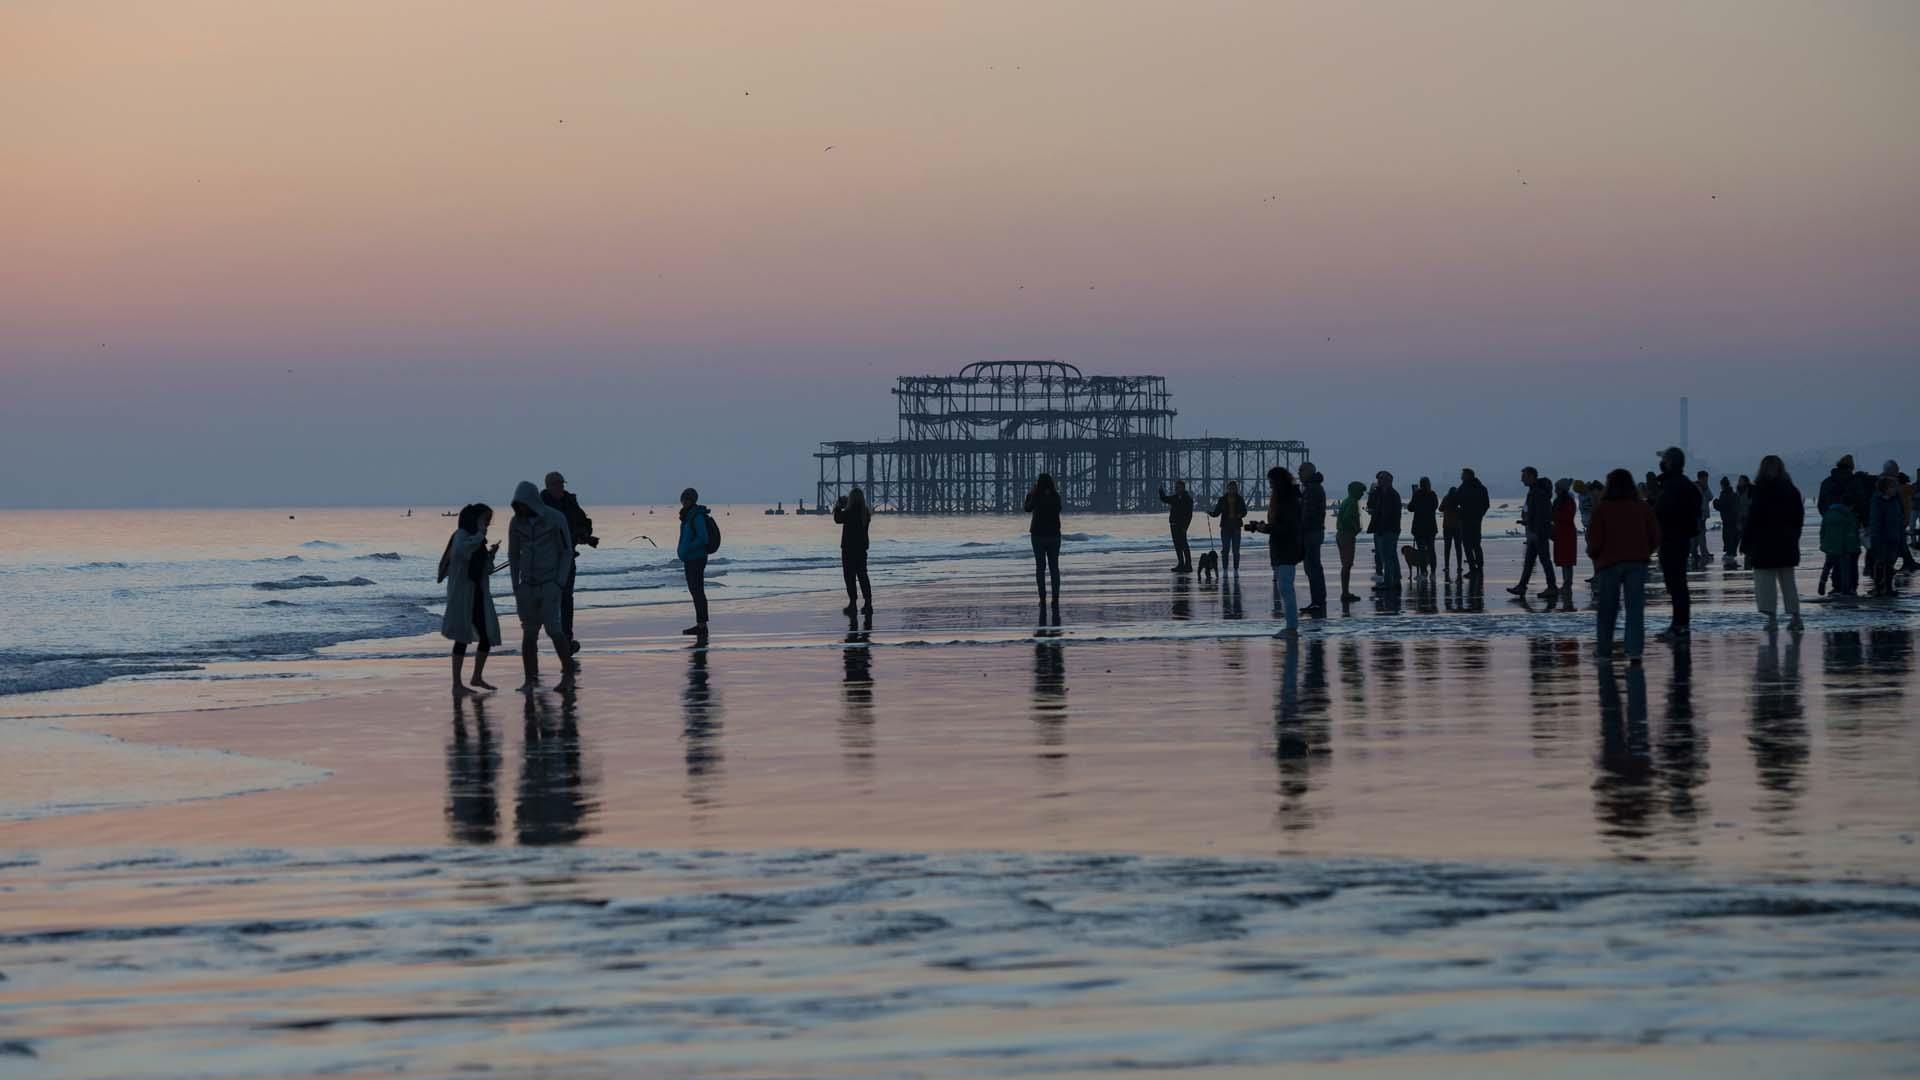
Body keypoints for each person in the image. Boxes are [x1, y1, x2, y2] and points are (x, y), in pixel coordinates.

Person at [1587, 469, 1659, 663]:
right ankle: (1634, 650)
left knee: (1607, 610)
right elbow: (1654, 536)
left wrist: (1595, 556)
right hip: (1637, 562)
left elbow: (1594, 540)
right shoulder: (1642, 507)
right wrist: (1644, 553)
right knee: (1634, 609)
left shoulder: (1602, 509)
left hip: (1609, 563)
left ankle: (1604, 651)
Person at [508, 480, 576, 689]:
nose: (521, 509)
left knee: (554, 629)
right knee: (529, 633)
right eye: (517, 505)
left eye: (523, 504)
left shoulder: (555, 518)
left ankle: (568, 675)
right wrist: (515, 584)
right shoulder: (516, 522)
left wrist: (559, 582)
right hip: (526, 585)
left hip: (549, 583)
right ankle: (530, 679)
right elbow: (513, 554)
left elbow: (567, 551)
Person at [440, 503, 502, 695]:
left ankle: (477, 676)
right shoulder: (462, 535)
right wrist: (480, 534)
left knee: (486, 636)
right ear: (475, 519)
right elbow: (461, 552)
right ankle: (456, 684)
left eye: (489, 520)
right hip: (462, 594)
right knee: (461, 637)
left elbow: (486, 569)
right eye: (485, 519)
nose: (488, 523)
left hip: (478, 594)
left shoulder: (477, 539)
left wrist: (491, 556)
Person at [1741, 455, 1804, 632]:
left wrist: (1745, 542)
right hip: (1786, 543)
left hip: (1764, 544)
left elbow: (1753, 519)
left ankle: (1772, 619)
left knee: (1765, 583)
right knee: (1788, 582)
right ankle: (1795, 617)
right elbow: (1798, 517)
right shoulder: (1791, 490)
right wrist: (1794, 536)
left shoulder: (1760, 490)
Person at [541, 471, 598, 655]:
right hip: (548, 560)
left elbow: (584, 521)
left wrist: (584, 534)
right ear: (549, 486)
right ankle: (555, 637)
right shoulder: (540, 505)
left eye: (562, 484)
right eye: (557, 484)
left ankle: (566, 638)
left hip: (567, 557)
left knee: (566, 599)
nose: (561, 487)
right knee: (551, 600)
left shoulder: (570, 501)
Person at [1246, 466, 1303, 635]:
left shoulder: (1288, 500)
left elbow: (1287, 527)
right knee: (1285, 587)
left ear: (1279, 482)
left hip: (1287, 547)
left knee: (1285, 588)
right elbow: (1282, 524)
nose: (1270, 485)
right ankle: (1291, 625)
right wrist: (1263, 527)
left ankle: (1291, 627)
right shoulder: (1285, 498)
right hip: (1282, 547)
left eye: (1271, 482)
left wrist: (1266, 528)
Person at [1652, 447, 1701, 640]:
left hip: (1672, 539)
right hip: (1680, 538)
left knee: (1676, 584)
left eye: (1664, 459)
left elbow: (1663, 512)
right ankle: (1680, 624)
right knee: (1677, 584)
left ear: (1670, 463)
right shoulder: (1684, 485)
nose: (1661, 463)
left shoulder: (1674, 486)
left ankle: (1680, 625)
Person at [1510, 466, 1557, 599]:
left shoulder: (1538, 493)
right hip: (1534, 532)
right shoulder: (1534, 491)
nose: (1521, 480)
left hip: (1538, 533)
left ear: (1531, 476)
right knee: (1530, 561)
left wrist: (1535, 531)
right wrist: (1527, 521)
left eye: (1524, 477)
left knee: (1544, 561)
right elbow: (1536, 513)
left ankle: (1552, 587)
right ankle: (1522, 586)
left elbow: (1542, 515)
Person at [676, 487, 715, 636]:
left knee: (697, 591)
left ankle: (702, 626)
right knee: (695, 591)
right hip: (690, 558)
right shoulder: (688, 516)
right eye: (683, 499)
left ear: (692, 500)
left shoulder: (696, 516)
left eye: (687, 499)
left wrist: (687, 548)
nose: (684, 502)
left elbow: (703, 538)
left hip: (696, 558)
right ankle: (701, 625)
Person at [1025, 473, 1063, 614]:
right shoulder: (1055, 496)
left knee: (1040, 568)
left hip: (1038, 535)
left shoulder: (1035, 496)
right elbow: (1059, 509)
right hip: (1054, 535)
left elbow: (1027, 508)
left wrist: (1031, 494)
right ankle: (1055, 598)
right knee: (1054, 568)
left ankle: (1042, 598)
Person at [833, 486, 873, 615]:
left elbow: (838, 519)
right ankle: (868, 603)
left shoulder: (849, 512)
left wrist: (838, 506)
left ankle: (853, 604)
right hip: (861, 549)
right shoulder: (866, 512)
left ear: (851, 499)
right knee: (863, 576)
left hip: (848, 549)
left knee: (849, 577)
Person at [1867, 474, 1905, 596]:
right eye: (1892, 487)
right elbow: (1875, 521)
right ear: (1885, 488)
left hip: (1894, 536)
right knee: (1880, 562)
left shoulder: (1895, 501)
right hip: (1881, 537)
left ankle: (1888, 588)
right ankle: (1878, 588)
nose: (1895, 489)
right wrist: (1875, 537)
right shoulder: (1877, 501)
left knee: (1890, 563)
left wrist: (1901, 535)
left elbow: (1899, 518)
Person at [1298, 463, 1328, 612]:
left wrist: (1300, 529)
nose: (1299, 473)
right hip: (1313, 531)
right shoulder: (1313, 488)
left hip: (1311, 533)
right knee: (1313, 567)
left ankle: (1318, 601)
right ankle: (1318, 600)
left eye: (1301, 471)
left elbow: (1308, 514)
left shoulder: (1312, 489)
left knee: (1312, 567)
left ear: (1309, 472)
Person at [1369, 471, 1403, 592]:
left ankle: (1389, 583)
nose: (1378, 481)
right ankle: (1396, 580)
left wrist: (1377, 516)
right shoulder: (1381, 494)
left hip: (1388, 529)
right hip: (1388, 528)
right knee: (1391, 555)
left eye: (1381, 479)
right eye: (1378, 479)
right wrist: (1373, 492)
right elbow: (1371, 504)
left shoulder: (1391, 495)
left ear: (1388, 481)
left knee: (1387, 556)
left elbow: (1387, 514)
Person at [1818, 499, 1860, 597]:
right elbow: (1851, 534)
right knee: (1845, 569)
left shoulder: (1828, 514)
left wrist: (1824, 544)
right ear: (1850, 506)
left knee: (1827, 565)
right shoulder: (1849, 516)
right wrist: (1853, 548)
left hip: (1830, 546)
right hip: (1843, 547)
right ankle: (1845, 590)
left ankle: (1821, 584)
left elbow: (1822, 531)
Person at [1206, 480, 1248, 576]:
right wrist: (1210, 513)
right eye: (1230, 488)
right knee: (1225, 549)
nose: (1232, 490)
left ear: (1236, 489)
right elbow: (1217, 512)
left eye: (1234, 488)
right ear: (1227, 489)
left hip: (1236, 526)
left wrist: (1240, 515)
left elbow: (1245, 511)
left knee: (1236, 550)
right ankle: (1225, 569)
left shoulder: (1240, 499)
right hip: (1225, 527)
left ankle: (1236, 569)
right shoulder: (1222, 499)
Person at [1456, 468, 1490, 576]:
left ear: (1468, 476)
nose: (1461, 477)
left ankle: (1472, 568)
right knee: (1476, 545)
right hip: (1476, 520)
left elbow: (1456, 500)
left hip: (1466, 520)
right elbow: (1486, 504)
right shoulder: (1482, 488)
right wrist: (1480, 515)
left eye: (1463, 475)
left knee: (1467, 545)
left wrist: (1460, 511)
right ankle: (1479, 567)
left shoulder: (1463, 487)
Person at [1335, 480, 1365, 603]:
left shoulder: (1347, 501)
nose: (1362, 494)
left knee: (1346, 564)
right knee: (1347, 564)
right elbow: (1347, 518)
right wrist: (1355, 528)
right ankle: (1345, 592)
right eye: (1361, 491)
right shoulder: (1352, 502)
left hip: (1341, 535)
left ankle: (1345, 591)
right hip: (1346, 535)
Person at [1406, 477, 1438, 582]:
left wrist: (1414, 496)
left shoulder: (1417, 495)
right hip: (1430, 526)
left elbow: (1410, 508)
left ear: (1420, 484)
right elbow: (1435, 506)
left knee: (1421, 551)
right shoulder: (1432, 494)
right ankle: (1433, 572)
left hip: (1419, 527)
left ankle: (1424, 572)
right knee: (1431, 550)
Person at [1160, 480, 1195, 573]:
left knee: (1184, 545)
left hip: (1182, 525)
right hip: (1173, 524)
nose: (1176, 489)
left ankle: (1188, 565)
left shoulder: (1187, 499)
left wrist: (1185, 526)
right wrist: (1161, 491)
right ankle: (1181, 564)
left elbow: (1189, 515)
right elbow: (1165, 499)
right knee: (1177, 545)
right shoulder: (1175, 497)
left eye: (1178, 487)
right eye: (1175, 487)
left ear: (1183, 488)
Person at [1552, 477, 1578, 597]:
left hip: (1567, 532)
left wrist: (1554, 515)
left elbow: (1568, 517)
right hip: (1561, 532)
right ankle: (1566, 584)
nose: (1555, 490)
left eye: (1557, 488)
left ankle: (1567, 584)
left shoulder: (1568, 501)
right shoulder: (1559, 500)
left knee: (1567, 561)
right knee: (1564, 561)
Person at [1714, 476, 1744, 568]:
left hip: (1727, 520)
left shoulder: (1724, 494)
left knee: (1727, 537)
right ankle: (1732, 552)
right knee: (1734, 536)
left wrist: (1715, 502)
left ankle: (1730, 553)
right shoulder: (1734, 494)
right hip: (1734, 519)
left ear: (1722, 485)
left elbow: (1721, 506)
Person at [1690, 470, 1713, 566]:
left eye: (1707, 479)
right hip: (1697, 514)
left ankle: (1696, 553)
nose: (1706, 481)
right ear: (1700, 478)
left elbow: (1710, 497)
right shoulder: (1694, 487)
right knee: (1700, 535)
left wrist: (1706, 488)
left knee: (1699, 535)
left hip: (1703, 515)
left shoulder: (1705, 487)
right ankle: (1702, 553)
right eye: (1705, 479)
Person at [1440, 485, 1462, 578]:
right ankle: (1459, 566)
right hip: (1457, 527)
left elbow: (1440, 508)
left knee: (1447, 547)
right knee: (1458, 547)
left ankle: (1447, 566)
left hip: (1447, 526)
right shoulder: (1459, 500)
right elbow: (1463, 510)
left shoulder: (1446, 498)